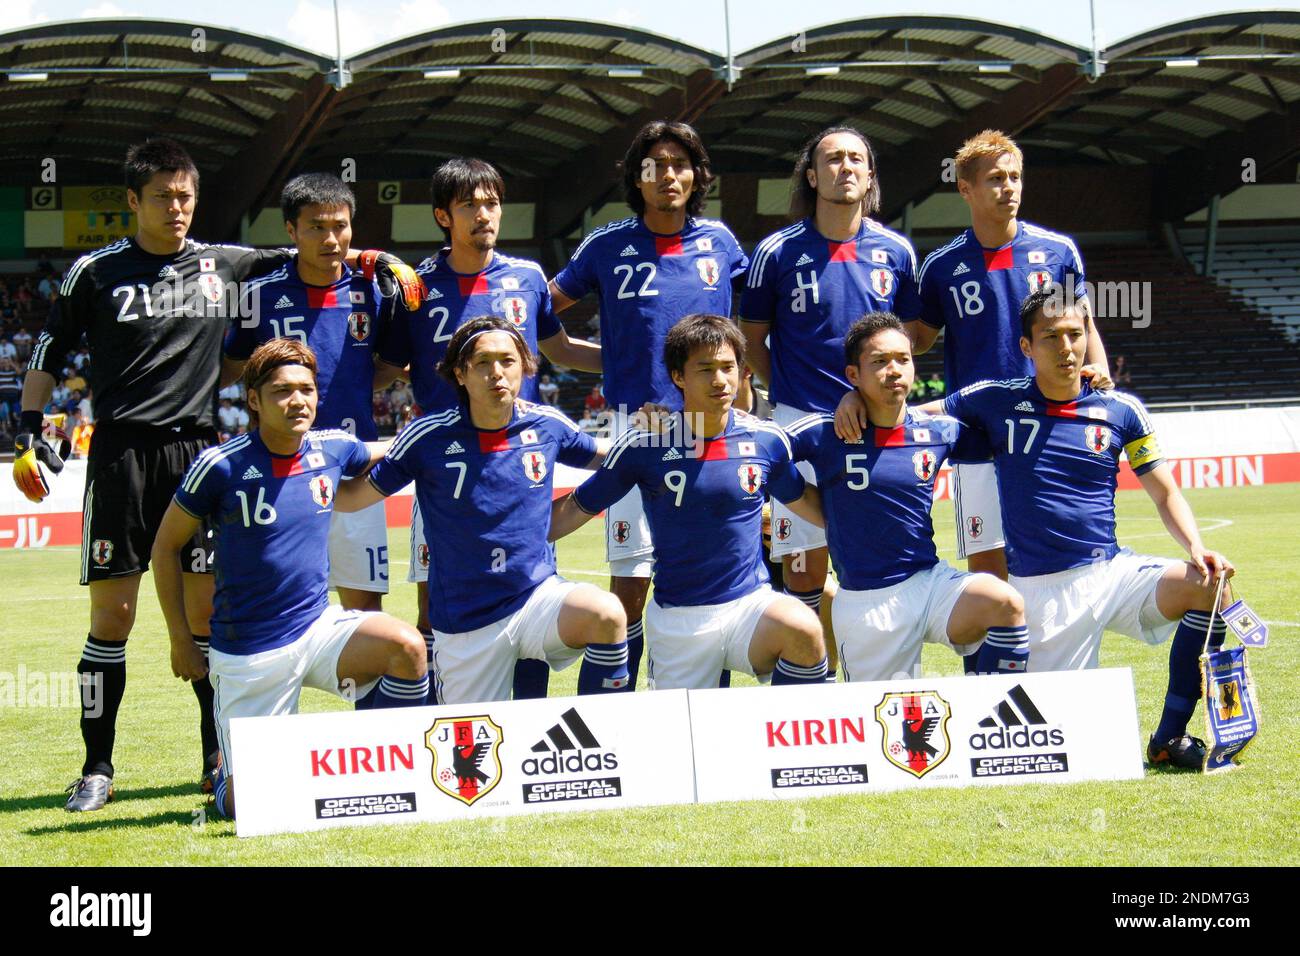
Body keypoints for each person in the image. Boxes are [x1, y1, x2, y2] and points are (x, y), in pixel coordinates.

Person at [11, 137, 423, 812]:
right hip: (120, 455)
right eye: (162, 196)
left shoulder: (223, 265)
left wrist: (381, 257)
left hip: (198, 450)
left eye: (185, 196)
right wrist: (30, 427)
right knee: (111, 617)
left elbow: (314, 248)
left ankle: (218, 757)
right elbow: (53, 345)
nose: (176, 208)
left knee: (206, 614)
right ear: (132, 202)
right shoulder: (95, 272)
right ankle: (95, 766)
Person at [940, 290, 1233, 767]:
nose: (1066, 347)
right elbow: (914, 418)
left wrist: (1197, 547)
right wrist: (855, 403)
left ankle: (1168, 739)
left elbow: (1165, 492)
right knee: (1037, 736)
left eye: (1075, 334)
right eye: (1050, 337)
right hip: (1040, 590)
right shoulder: (995, 400)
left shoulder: (1121, 410)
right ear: (1026, 347)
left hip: (1111, 573)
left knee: (1209, 587)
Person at [152, 338, 428, 820]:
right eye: (282, 391)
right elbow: (165, 547)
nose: (297, 400)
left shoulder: (333, 448)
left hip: (317, 630)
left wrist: (443, 437)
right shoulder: (219, 466)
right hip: (250, 652)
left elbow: (384, 450)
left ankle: (392, 775)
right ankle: (227, 784)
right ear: (254, 400)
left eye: (306, 389)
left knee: (406, 647)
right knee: (251, 807)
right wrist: (180, 639)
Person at [377, 157, 602, 701]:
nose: (484, 214)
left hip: (520, 463)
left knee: (531, 591)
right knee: (434, 601)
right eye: (469, 205)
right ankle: (436, 720)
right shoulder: (416, 288)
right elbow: (386, 367)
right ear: (442, 217)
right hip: (444, 469)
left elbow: (561, 349)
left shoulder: (526, 277)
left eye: (492, 202)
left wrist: (643, 366)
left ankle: (525, 720)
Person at [548, 121, 750, 690]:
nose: (668, 174)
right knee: (630, 586)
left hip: (714, 432)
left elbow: (745, 331)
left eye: (680, 163)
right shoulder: (607, 244)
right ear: (636, 176)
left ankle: (700, 699)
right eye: (655, 163)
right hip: (639, 433)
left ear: (696, 175)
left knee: (712, 576)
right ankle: (610, 709)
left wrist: (748, 399)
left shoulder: (722, 244)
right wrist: (607, 361)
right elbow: (545, 314)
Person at [338, 316, 630, 704]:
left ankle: (604, 743)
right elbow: (357, 497)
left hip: (535, 597)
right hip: (465, 621)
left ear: (525, 367)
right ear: (460, 373)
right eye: (482, 363)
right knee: (467, 755)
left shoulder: (546, 425)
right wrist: (299, 479)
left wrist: (675, 441)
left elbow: (618, 461)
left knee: (606, 614)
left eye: (508, 361)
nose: (497, 373)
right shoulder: (428, 436)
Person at [550, 314, 828, 690]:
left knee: (803, 628)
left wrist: (862, 526)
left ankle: (791, 739)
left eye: (728, 367)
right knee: (680, 744)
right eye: (705, 368)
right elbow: (574, 509)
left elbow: (807, 503)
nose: (720, 380)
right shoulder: (645, 443)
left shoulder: (765, 441)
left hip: (749, 605)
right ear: (678, 376)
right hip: (680, 619)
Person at [741, 124, 920, 646]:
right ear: (812, 175)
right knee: (802, 572)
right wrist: (793, 398)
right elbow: (752, 342)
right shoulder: (774, 252)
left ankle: (874, 670)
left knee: (883, 561)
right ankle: (811, 680)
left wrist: (867, 397)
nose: (846, 167)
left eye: (856, 159)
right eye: (833, 159)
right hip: (800, 426)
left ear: (869, 176)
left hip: (876, 428)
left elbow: (905, 344)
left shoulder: (898, 252)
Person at [786, 314, 1028, 680]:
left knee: (1003, 603)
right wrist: (792, 500)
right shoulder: (826, 432)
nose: (894, 370)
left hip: (929, 583)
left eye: (903, 359)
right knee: (882, 725)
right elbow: (766, 452)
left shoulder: (939, 431)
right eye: (880, 362)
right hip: (868, 600)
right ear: (854, 374)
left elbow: (1000, 432)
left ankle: (991, 717)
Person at [222, 172, 395, 614]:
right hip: (278, 471)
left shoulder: (373, 291)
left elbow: (390, 369)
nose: (331, 238)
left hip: (354, 467)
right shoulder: (257, 295)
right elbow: (231, 369)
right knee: (275, 609)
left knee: (364, 614)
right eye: (316, 227)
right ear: (291, 230)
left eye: (340, 226)